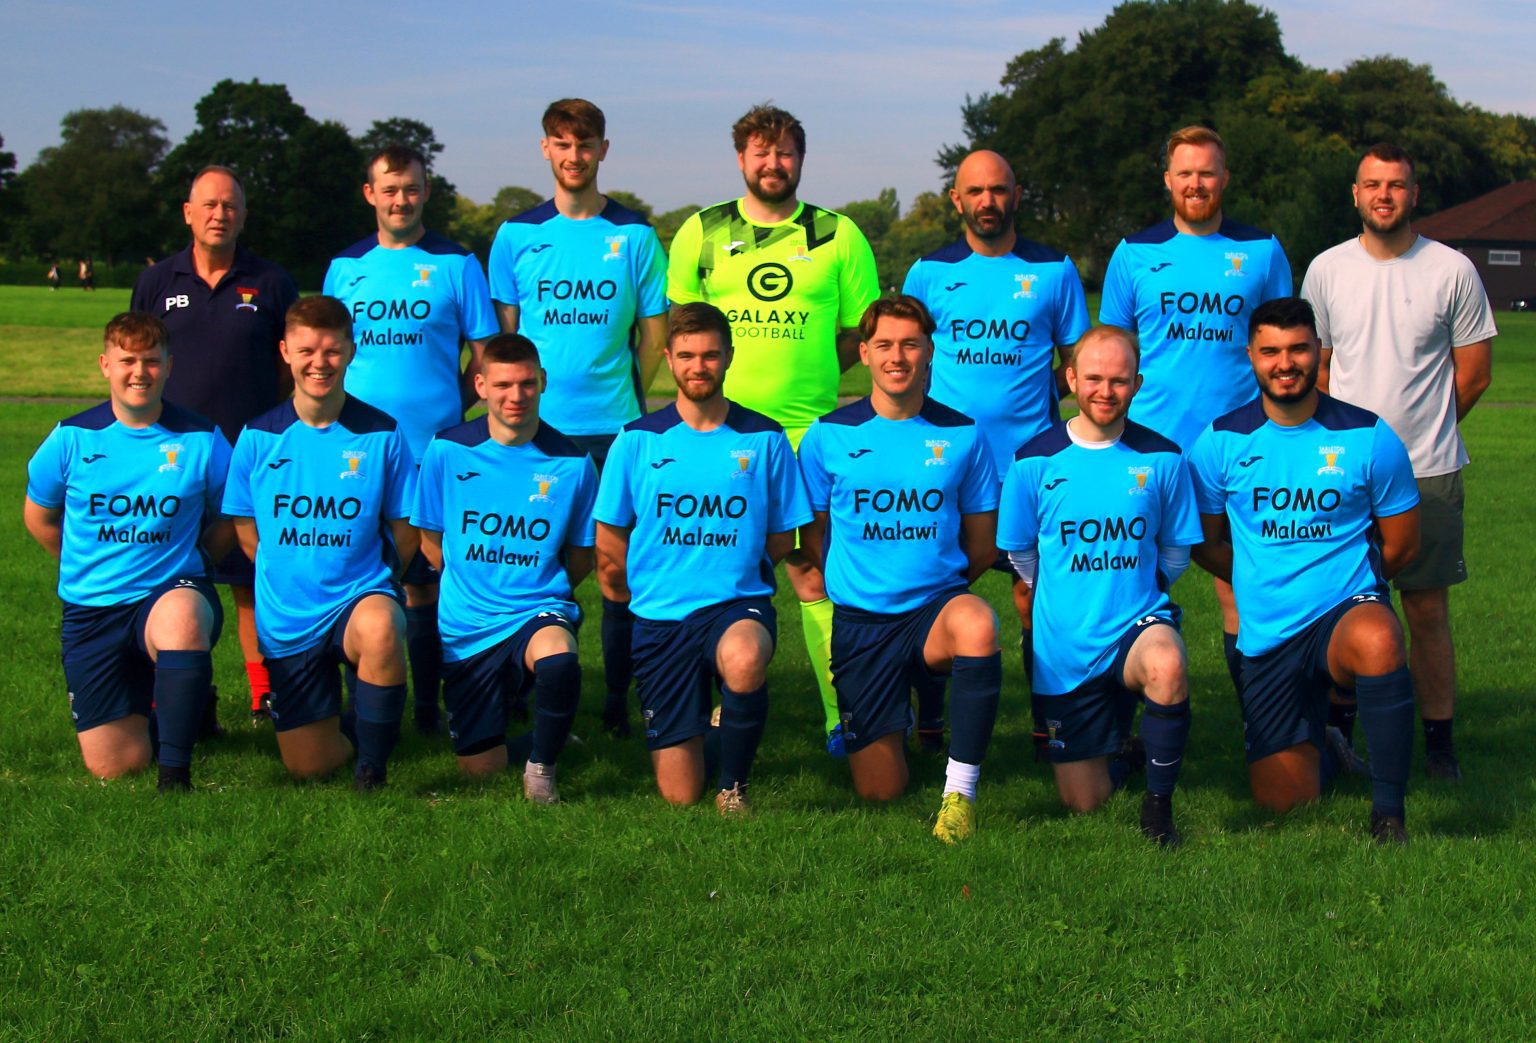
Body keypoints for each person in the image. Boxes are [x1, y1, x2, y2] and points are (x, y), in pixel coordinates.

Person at [667, 103, 881, 754]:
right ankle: (694, 717)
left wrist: (811, 375)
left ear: (801, 160)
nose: (772, 163)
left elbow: (861, 336)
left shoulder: (838, 234)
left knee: (814, 574)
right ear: (740, 159)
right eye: (760, 151)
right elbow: (683, 334)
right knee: (708, 573)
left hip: (810, 438)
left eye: (784, 151)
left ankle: (841, 717)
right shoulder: (700, 231)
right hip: (719, 436)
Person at [1188, 297, 1420, 843]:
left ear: (1319, 351)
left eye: (1298, 349)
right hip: (1269, 632)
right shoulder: (1220, 441)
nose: (1285, 363)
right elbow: (1206, 542)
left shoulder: (1368, 436)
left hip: (1343, 613)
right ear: (1251, 356)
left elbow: (1403, 544)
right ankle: (1328, 743)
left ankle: (1388, 813)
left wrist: (1349, 582)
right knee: (1284, 802)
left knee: (1381, 637)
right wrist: (1258, 575)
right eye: (1271, 351)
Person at [1301, 143, 1497, 781]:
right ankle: (1339, 735)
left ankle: (1438, 745)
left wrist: (1421, 437)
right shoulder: (1327, 269)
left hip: (1428, 470)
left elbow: (1473, 374)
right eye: (1372, 184)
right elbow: (1319, 369)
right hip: (1344, 474)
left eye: (1397, 184)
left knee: (1426, 610)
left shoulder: (1452, 269)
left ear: (1415, 194)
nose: (1384, 194)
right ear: (1354, 195)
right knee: (1341, 608)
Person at [488, 98, 669, 740]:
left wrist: (623, 394)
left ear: (602, 149)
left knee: (618, 571)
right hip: (536, 431)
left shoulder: (637, 237)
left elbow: (653, 336)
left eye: (584, 143)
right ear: (546, 149)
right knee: (531, 560)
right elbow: (507, 339)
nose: (573, 155)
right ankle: (521, 684)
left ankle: (619, 701)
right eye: (561, 144)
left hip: (613, 427)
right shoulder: (516, 236)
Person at [902, 148, 1091, 752]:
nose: (988, 201)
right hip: (946, 467)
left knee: (1036, 593)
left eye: (1000, 190)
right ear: (956, 200)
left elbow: (1078, 366)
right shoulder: (929, 272)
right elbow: (908, 364)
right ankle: (929, 723)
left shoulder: (1054, 269)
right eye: (975, 191)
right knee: (934, 588)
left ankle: (1049, 722)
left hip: (1027, 468)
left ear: (1016, 195)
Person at [797, 296, 1002, 842]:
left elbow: (981, 543)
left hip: (935, 611)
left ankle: (960, 794)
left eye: (911, 344)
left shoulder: (963, 434)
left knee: (978, 623)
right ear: (864, 352)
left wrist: (934, 585)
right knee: (880, 791)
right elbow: (814, 539)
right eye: (885, 345)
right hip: (863, 623)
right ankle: (911, 707)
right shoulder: (827, 436)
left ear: (930, 350)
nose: (898, 357)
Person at [593, 302, 811, 812]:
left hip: (735, 605)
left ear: (729, 357)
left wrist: (748, 569)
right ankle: (716, 722)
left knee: (744, 658)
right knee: (677, 795)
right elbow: (609, 534)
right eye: (687, 355)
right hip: (659, 616)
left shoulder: (764, 437)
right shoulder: (637, 439)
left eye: (710, 355)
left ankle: (733, 788)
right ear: (668, 358)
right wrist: (640, 586)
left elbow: (786, 531)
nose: (699, 367)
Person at [1099, 126, 1292, 697]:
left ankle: (1258, 713)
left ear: (1225, 178)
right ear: (1168, 181)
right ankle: (1122, 720)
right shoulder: (1134, 253)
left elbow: (1282, 343)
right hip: (1147, 447)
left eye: (1207, 173)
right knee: (1128, 579)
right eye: (1185, 173)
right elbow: (1113, 349)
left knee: (1238, 581)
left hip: (1235, 448)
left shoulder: (1262, 251)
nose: (1196, 183)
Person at [997, 326, 1201, 845]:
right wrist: (1062, 594)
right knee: (1084, 804)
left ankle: (1158, 809)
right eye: (1093, 379)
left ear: (1137, 383)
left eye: (1118, 380)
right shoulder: (1032, 461)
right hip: (1065, 646)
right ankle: (1127, 751)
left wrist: (1142, 589)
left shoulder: (1164, 458)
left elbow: (1176, 548)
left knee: (1167, 664)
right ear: (1070, 379)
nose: (1105, 392)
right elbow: (1021, 551)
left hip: (1137, 624)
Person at [324, 145, 498, 736]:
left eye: (412, 188)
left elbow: (485, 359)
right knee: (355, 578)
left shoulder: (456, 263)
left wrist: (450, 412)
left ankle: (429, 710)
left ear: (427, 192)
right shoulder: (346, 267)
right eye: (389, 189)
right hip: (359, 451)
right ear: (370, 194)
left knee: (425, 587)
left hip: (431, 452)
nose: (401, 199)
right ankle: (362, 710)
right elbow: (327, 357)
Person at [23, 312, 232, 790]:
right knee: (115, 766)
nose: (140, 373)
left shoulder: (203, 438)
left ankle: (175, 776)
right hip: (92, 608)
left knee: (181, 617)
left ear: (169, 366)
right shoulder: (71, 439)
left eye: (152, 362)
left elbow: (232, 517)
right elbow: (39, 517)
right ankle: (175, 710)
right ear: (105, 365)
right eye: (128, 361)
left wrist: (199, 562)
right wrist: (82, 564)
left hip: (169, 589)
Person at [222, 296, 418, 791]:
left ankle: (373, 771)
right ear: (286, 352)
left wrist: (380, 582)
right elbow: (247, 529)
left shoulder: (383, 434)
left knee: (380, 627)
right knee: (308, 766)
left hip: (357, 596)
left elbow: (405, 528)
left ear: (351, 351)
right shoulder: (257, 437)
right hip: (289, 614)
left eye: (332, 351)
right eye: (307, 351)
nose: (319, 363)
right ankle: (357, 724)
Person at [132, 164, 300, 726]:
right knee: (172, 577)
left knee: (252, 581)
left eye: (230, 205)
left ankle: (264, 692)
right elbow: (140, 361)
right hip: (172, 459)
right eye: (208, 204)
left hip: (251, 458)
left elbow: (287, 373)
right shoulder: (157, 282)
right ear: (188, 212)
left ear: (243, 215)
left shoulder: (272, 282)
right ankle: (185, 695)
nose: (219, 214)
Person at [410, 333, 597, 801]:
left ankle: (542, 767)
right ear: (480, 385)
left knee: (558, 658)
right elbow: (431, 539)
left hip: (535, 609)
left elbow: (581, 553)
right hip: (466, 625)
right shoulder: (447, 450)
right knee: (480, 770)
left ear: (543, 382)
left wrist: (538, 585)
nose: (516, 396)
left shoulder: (573, 462)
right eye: (503, 385)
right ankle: (542, 737)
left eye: (527, 384)